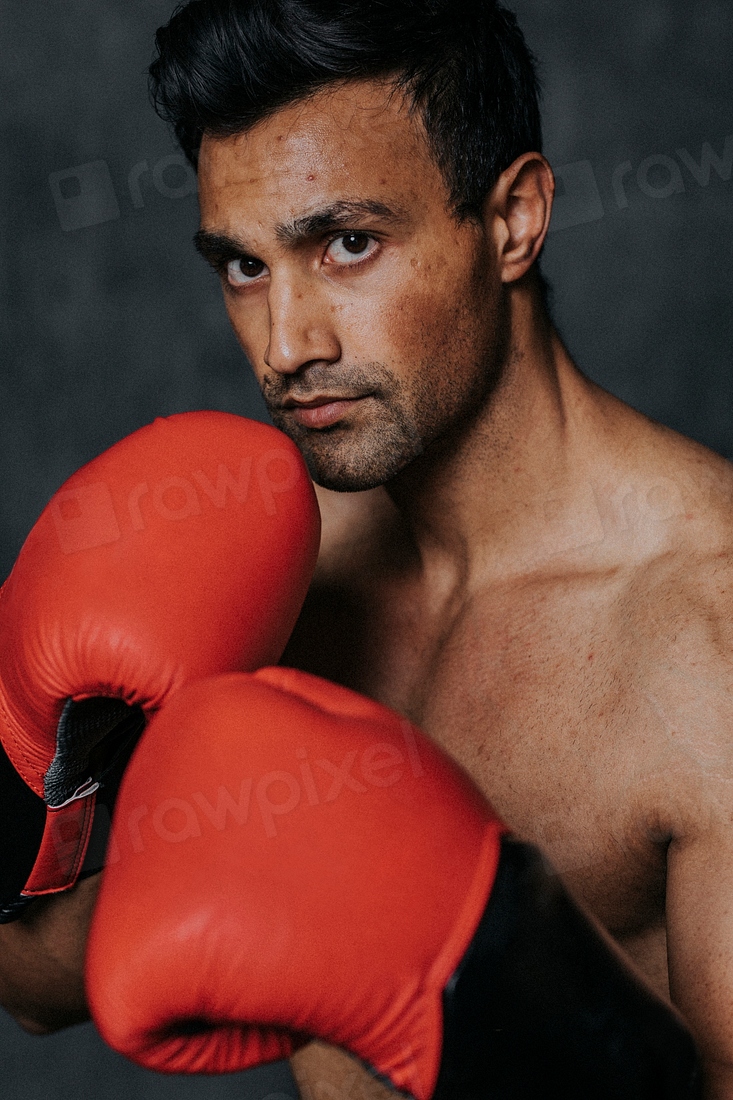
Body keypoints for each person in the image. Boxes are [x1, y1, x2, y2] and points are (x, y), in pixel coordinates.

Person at [1, 0, 732, 1096]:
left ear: (513, 220)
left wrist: (494, 985)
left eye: (347, 244)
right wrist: (27, 775)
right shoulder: (265, 565)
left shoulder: (706, 634)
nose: (286, 344)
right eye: (243, 266)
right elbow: (30, 983)